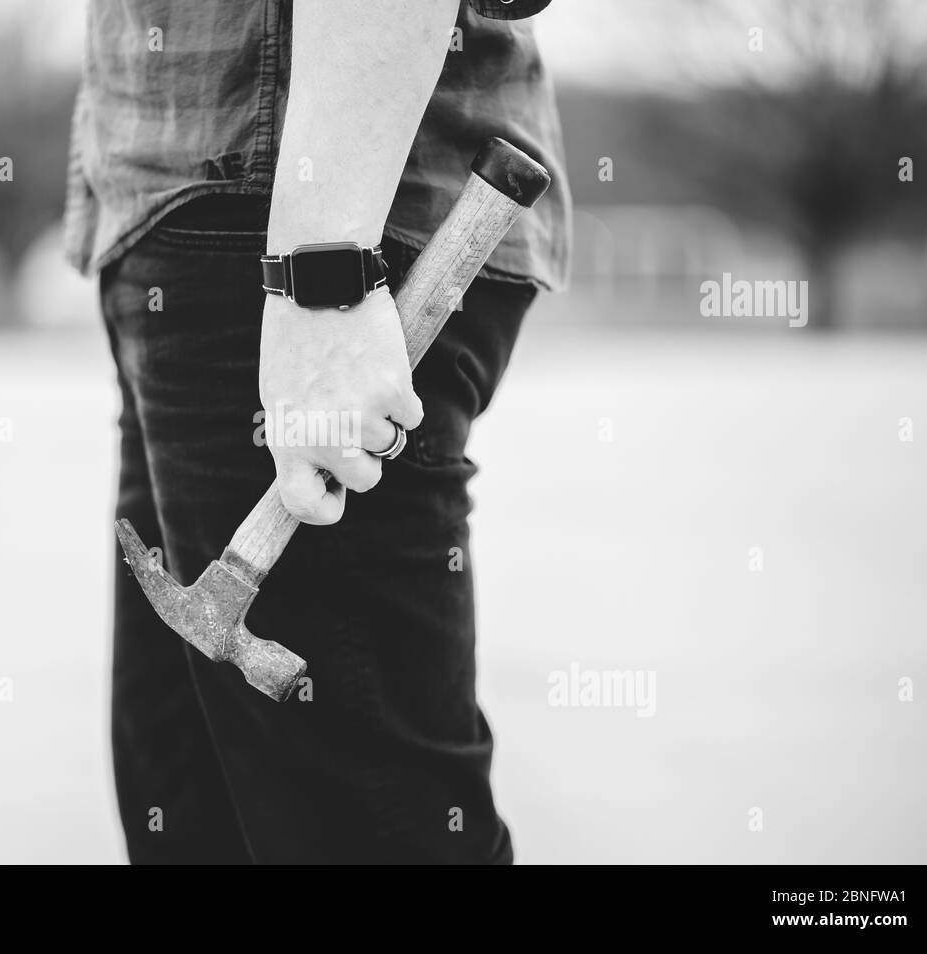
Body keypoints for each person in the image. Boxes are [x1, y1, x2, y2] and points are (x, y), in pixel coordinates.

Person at [64, 0, 571, 864]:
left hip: (296, 219)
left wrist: (321, 270)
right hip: (182, 219)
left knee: (376, 836)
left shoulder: (310, 257)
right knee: (199, 827)